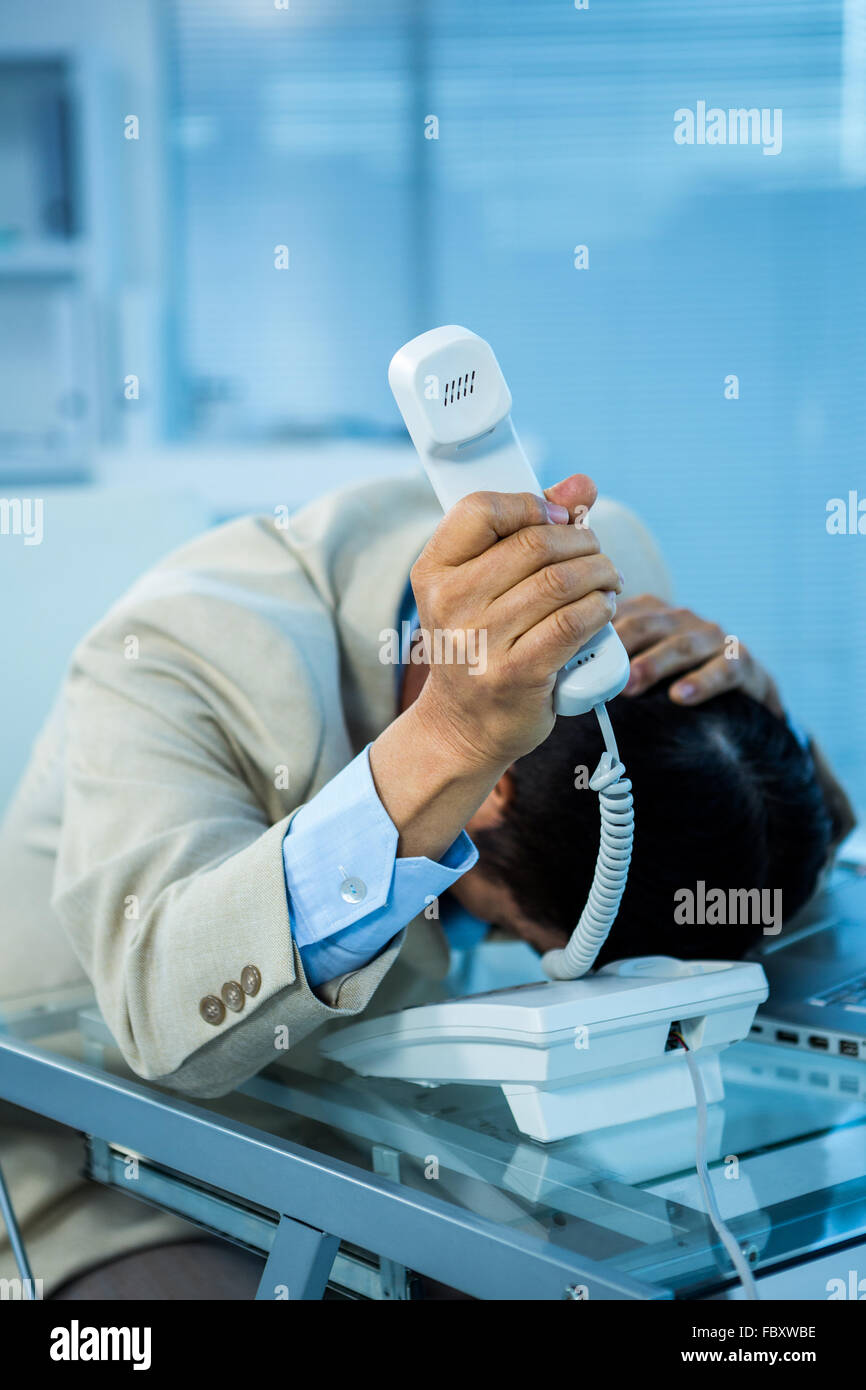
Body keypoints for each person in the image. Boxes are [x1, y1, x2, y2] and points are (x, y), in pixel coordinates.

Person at [0, 471, 853, 1296]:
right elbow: (164, 1008)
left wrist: (751, 732)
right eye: (528, 935)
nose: (521, 949)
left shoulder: (609, 584)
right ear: (492, 794)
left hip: (405, 1135)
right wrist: (447, 742)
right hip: (103, 1156)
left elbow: (754, 888)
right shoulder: (176, 653)